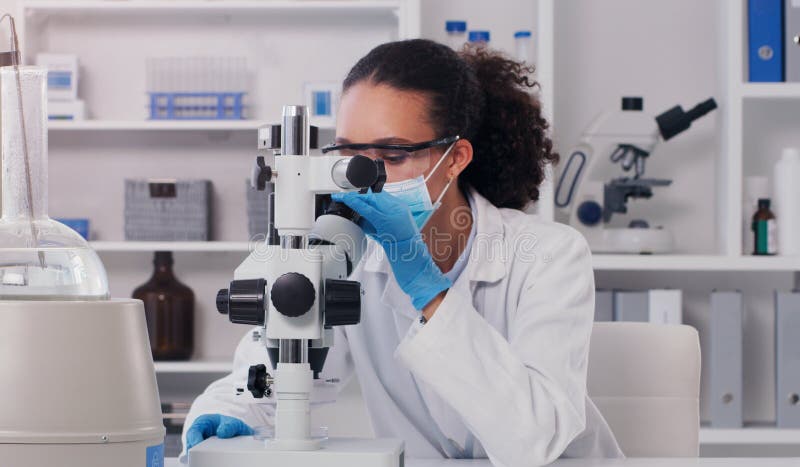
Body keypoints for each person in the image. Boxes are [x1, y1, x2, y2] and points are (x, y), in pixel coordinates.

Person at [182, 39, 623, 466]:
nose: (363, 178)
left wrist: (427, 289)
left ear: (455, 159)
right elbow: (271, 376)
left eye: (392, 154)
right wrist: (227, 413)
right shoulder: (346, 257)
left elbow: (535, 439)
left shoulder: (551, 255)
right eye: (350, 154)